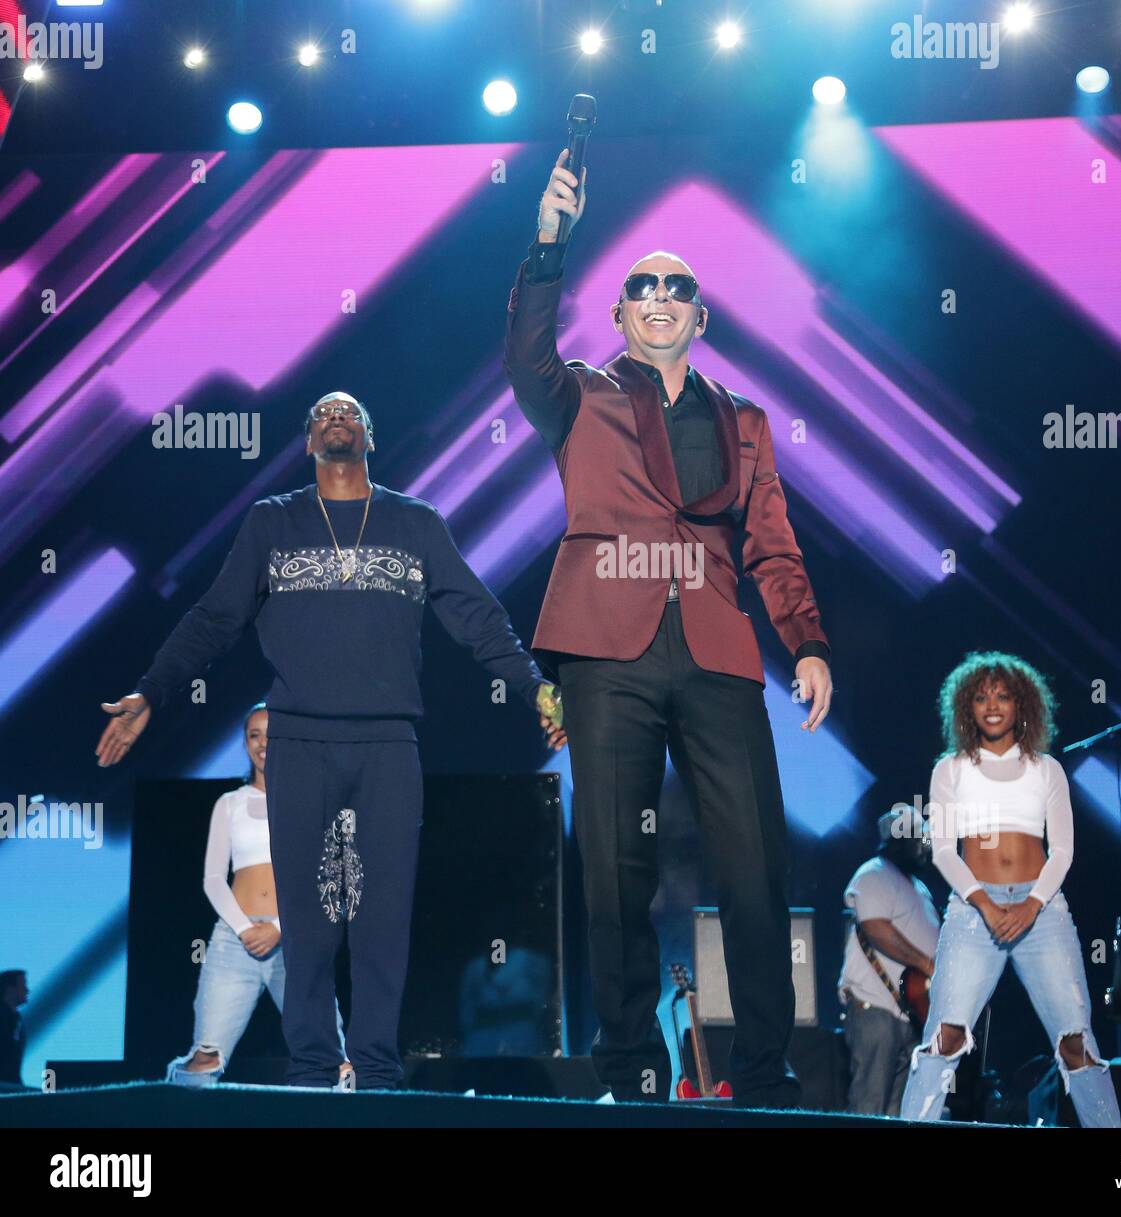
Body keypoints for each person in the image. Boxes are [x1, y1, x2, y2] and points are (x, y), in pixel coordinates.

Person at [97, 393, 565, 1091]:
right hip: (300, 739)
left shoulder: (415, 522)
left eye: (350, 411)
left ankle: (374, 1069)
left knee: (383, 916)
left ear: (370, 435)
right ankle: (315, 1067)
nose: (337, 416)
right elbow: (214, 617)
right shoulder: (272, 521)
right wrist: (152, 690)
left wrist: (535, 687)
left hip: (387, 742)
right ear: (309, 438)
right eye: (323, 412)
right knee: (307, 923)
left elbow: (477, 615)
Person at [503, 151, 832, 1107]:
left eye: (676, 285)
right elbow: (523, 353)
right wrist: (549, 239)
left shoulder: (746, 421)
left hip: (718, 651)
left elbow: (772, 543)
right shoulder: (579, 397)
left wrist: (806, 642)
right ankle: (632, 1067)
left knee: (756, 863)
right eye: (641, 285)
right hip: (607, 650)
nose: (657, 294)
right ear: (620, 315)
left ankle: (764, 1071)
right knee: (614, 867)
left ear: (698, 314)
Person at [899, 651, 1121, 1126]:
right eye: (981, 697)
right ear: (967, 708)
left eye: (1002, 696)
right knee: (945, 1037)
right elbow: (943, 850)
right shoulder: (951, 769)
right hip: (971, 913)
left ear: (1022, 705)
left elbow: (1062, 851)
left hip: (1042, 914)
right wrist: (984, 903)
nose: (992, 705)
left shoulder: (1046, 769)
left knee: (1075, 1043)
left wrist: (1032, 905)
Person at [166, 703, 350, 1087]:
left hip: (296, 940)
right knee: (205, 1056)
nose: (264, 743)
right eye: (254, 735)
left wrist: (281, 928)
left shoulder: (313, 800)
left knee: (331, 1056)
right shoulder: (229, 804)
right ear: (246, 744)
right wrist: (245, 929)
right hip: (235, 942)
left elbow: (328, 876)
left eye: (272, 734)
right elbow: (214, 878)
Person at [839, 807, 938, 1116]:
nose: (925, 846)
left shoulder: (917, 887)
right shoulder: (874, 873)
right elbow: (876, 927)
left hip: (909, 1014)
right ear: (898, 840)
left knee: (898, 1113)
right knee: (871, 1107)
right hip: (876, 1010)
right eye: (918, 839)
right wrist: (926, 963)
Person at [0, 970, 27, 1087]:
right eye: (23, 986)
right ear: (10, 989)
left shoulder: (17, 1019)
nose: (27, 990)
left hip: (10, 1086)